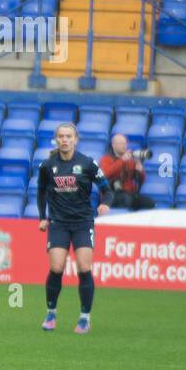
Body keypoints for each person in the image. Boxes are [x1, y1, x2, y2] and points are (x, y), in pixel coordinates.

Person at [36, 122, 114, 334]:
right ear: (56, 139)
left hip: (82, 223)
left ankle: (84, 318)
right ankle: (51, 313)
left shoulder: (87, 164)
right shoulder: (46, 165)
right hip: (58, 223)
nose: (64, 139)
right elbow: (41, 192)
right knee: (57, 267)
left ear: (75, 139)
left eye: (68, 136)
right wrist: (43, 217)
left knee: (84, 267)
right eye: (61, 136)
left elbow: (107, 190)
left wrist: (105, 203)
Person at [99, 134, 155, 212]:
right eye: (121, 143)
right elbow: (105, 174)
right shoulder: (106, 159)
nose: (124, 146)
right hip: (111, 194)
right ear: (113, 145)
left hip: (129, 194)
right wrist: (122, 160)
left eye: (125, 143)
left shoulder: (131, 160)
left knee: (149, 202)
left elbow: (141, 181)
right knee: (126, 199)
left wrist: (140, 171)